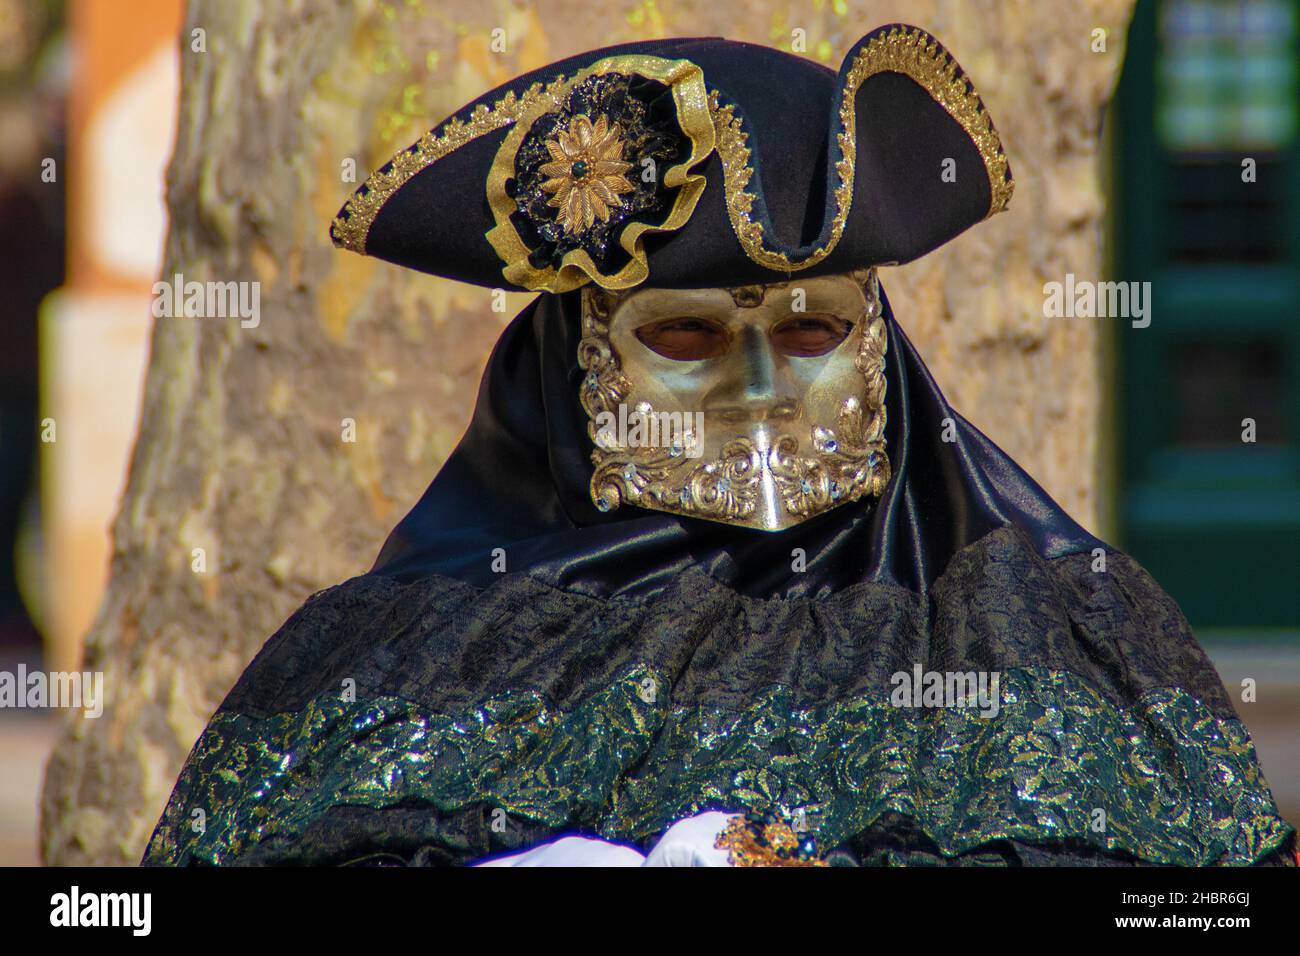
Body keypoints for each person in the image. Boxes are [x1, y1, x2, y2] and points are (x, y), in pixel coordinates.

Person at [143, 24, 1295, 866]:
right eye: (687, 334)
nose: (756, 387)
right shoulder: (395, 652)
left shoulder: (1054, 625)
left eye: (809, 330)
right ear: (571, 369)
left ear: (879, 346)